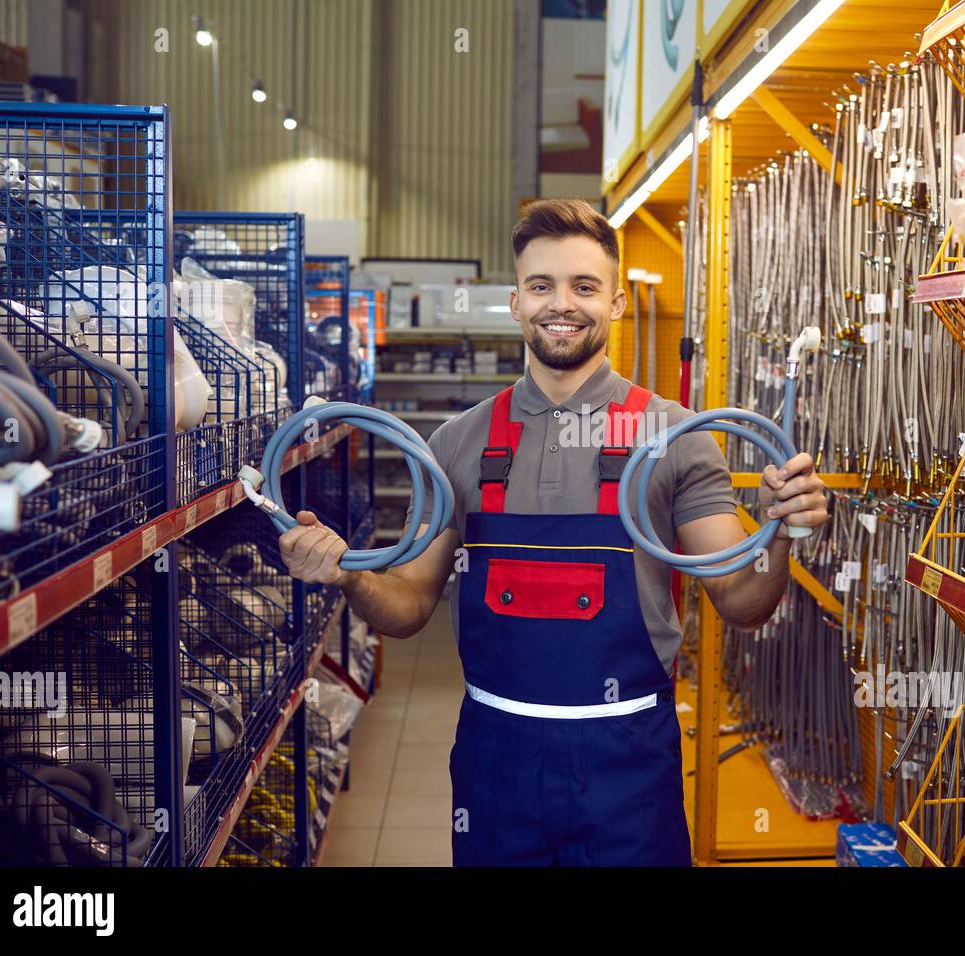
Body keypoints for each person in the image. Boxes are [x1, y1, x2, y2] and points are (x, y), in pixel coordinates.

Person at [279, 199, 828, 866]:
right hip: (495, 764)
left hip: (629, 766)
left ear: (617, 303)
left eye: (584, 287)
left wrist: (779, 531)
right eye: (541, 286)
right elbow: (408, 606)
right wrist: (349, 574)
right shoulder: (457, 444)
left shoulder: (675, 439)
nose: (560, 304)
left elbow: (742, 603)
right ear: (515, 302)